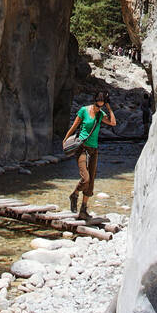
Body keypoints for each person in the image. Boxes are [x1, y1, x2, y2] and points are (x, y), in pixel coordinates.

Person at [63, 89, 116, 219]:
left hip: (94, 150)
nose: (100, 105)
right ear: (95, 100)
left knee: (91, 181)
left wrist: (109, 108)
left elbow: (113, 123)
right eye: (99, 102)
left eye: (102, 103)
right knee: (85, 178)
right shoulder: (84, 110)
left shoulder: (101, 114)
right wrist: (65, 139)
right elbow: (74, 126)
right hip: (82, 148)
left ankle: (83, 210)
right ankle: (74, 194)